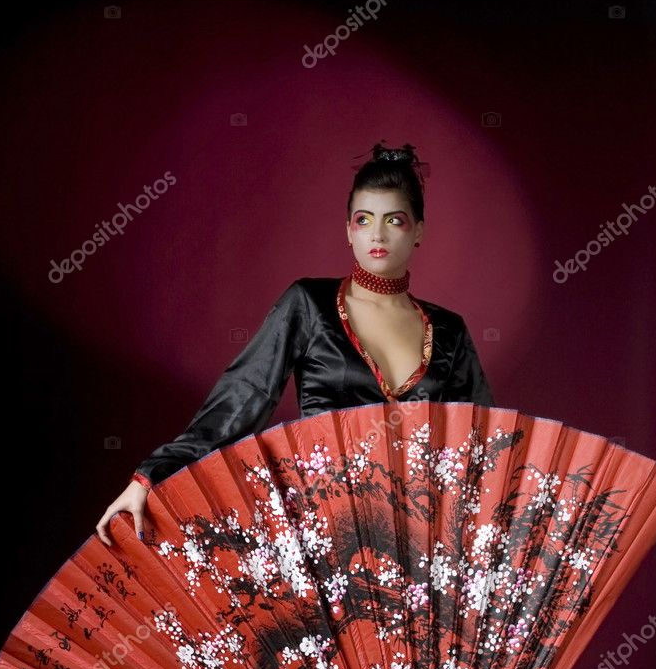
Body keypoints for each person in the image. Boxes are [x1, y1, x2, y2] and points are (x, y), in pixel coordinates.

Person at [96, 142, 495, 546]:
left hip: (425, 540)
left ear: (419, 231)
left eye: (394, 220)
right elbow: (242, 396)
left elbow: (482, 446)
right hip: (328, 532)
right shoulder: (309, 304)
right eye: (363, 219)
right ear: (348, 230)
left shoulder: (448, 330)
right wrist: (152, 476)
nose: (377, 234)